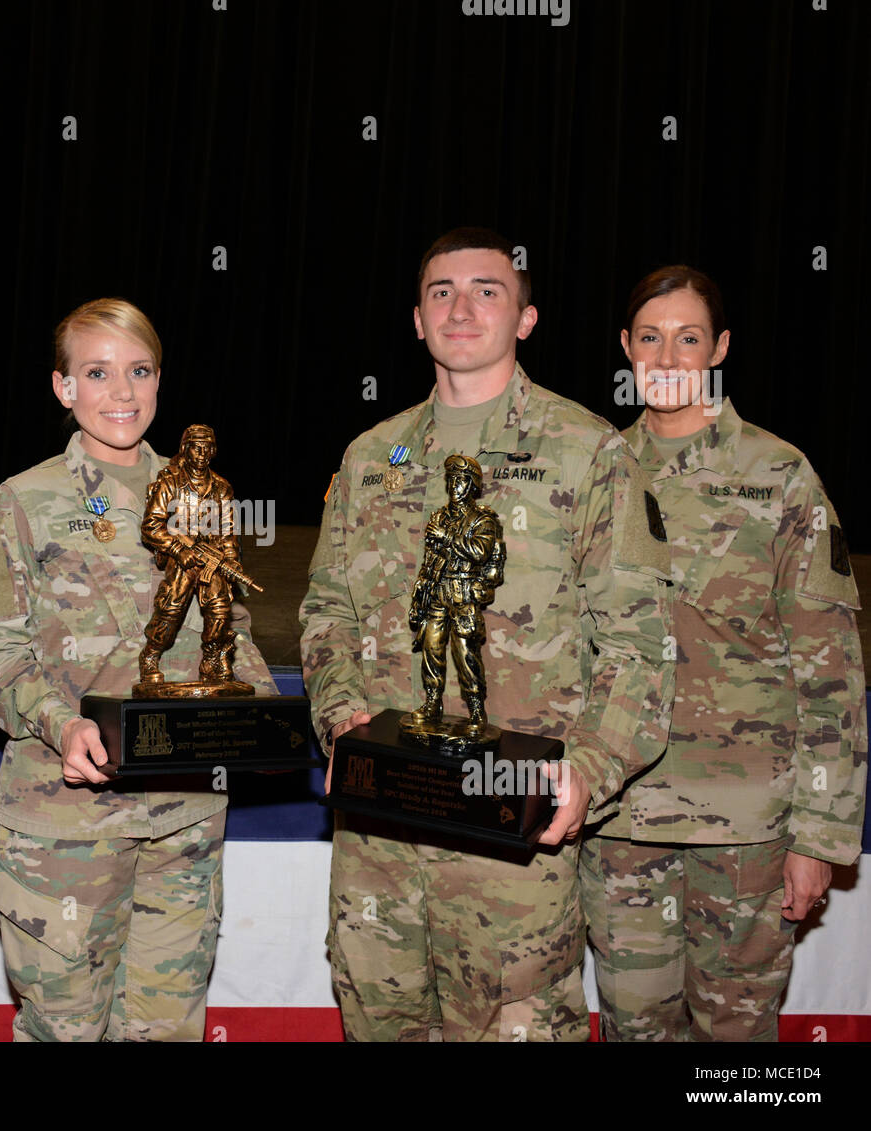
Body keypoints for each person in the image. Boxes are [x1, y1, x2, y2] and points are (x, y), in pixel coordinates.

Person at [299, 226, 674, 1041]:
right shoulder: (371, 457)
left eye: (486, 291)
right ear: (417, 319)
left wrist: (591, 768)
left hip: (512, 850)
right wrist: (340, 717)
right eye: (442, 292)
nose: (461, 308)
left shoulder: (589, 453)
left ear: (525, 318)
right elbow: (327, 609)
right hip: (381, 846)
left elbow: (640, 646)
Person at [0, 298, 276, 1041]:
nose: (122, 391)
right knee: (65, 1031)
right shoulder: (17, 503)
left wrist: (263, 719)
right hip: (67, 826)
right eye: (97, 373)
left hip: (183, 820)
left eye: (139, 370)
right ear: (63, 387)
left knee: (167, 1029)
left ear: (160, 380)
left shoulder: (201, 493)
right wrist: (61, 724)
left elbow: (230, 630)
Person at [579, 265, 867, 1041]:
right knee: (635, 1028)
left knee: (733, 1042)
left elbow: (831, 671)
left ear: (720, 347)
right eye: (650, 337)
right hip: (620, 822)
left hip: (747, 830)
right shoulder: (595, 470)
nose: (667, 357)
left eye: (689, 338)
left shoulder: (778, 475)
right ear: (625, 346)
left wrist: (819, 836)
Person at [406, 453, 505, 733]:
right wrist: (420, 591)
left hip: (463, 594)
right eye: (450, 479)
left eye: (460, 480)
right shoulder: (439, 516)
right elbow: (430, 559)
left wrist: (446, 537)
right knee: (431, 649)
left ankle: (476, 709)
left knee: (465, 655)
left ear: (472, 485)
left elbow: (480, 551)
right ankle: (432, 703)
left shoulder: (482, 519)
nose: (454, 486)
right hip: (438, 591)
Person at [140, 423, 245, 686]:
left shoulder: (221, 487)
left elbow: (228, 532)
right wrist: (177, 549)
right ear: (185, 449)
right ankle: (151, 655)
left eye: (207, 448)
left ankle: (211, 660)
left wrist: (231, 560)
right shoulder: (170, 482)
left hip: (211, 558)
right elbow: (151, 526)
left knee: (219, 609)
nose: (201, 454)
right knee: (170, 608)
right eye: (196, 447)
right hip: (182, 559)